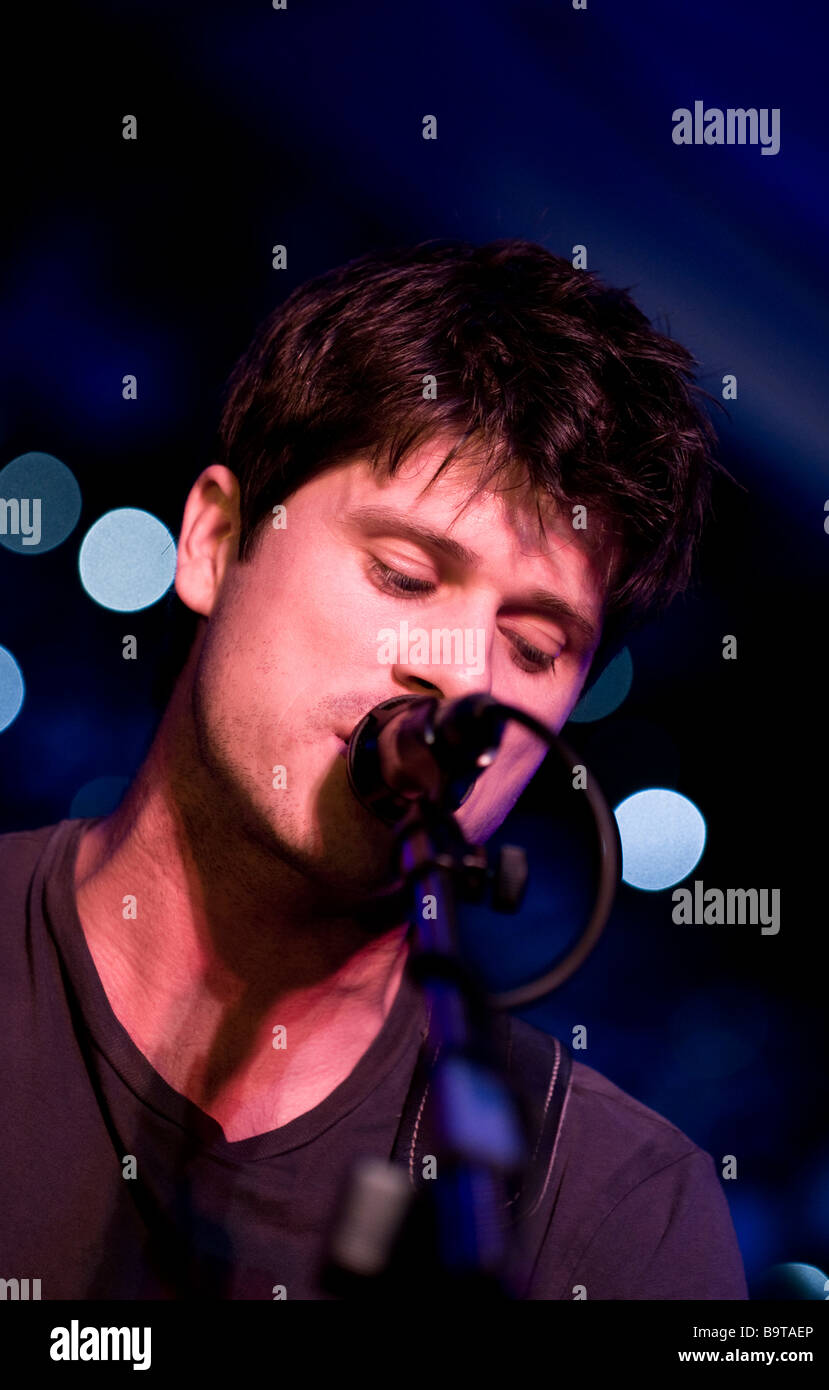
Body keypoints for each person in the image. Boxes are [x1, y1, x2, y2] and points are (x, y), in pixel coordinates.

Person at [0, 238, 747, 1299]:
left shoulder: (620, 1216)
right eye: (403, 575)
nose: (456, 673)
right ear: (213, 540)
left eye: (533, 646)